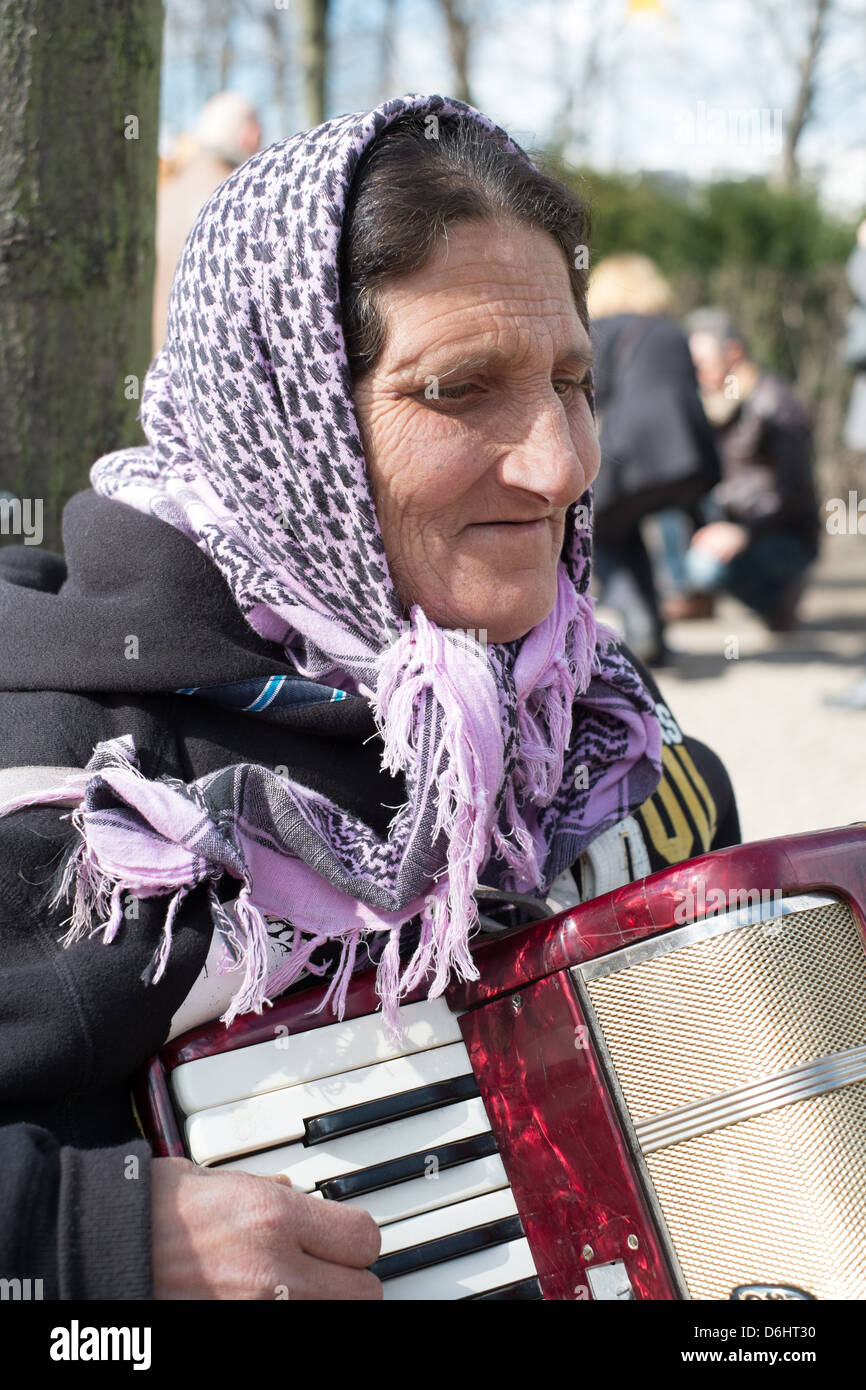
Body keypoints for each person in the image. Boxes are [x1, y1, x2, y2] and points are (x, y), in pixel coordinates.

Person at [0, 96, 739, 1301]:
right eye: (460, 389)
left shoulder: (605, 727)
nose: (558, 464)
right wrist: (89, 1240)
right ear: (286, 417)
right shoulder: (71, 789)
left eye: (568, 380)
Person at [587, 255, 721, 665]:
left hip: (630, 453)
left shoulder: (602, 330)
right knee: (622, 530)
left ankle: (636, 616)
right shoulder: (671, 330)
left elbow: (595, 395)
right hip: (687, 458)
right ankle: (654, 636)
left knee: (594, 530)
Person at [673, 308, 820, 630]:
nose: (696, 374)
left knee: (704, 567)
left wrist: (745, 532)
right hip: (732, 518)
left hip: (780, 532)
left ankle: (778, 600)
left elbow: (795, 491)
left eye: (702, 364)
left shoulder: (776, 403)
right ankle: (697, 597)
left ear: (734, 353)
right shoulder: (713, 406)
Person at [152, 92, 262, 353]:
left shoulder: (161, 195)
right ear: (250, 134)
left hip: (156, 372)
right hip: (215, 375)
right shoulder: (247, 200)